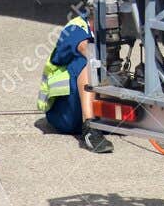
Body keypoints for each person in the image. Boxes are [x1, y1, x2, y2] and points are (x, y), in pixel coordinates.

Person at [38, 10, 113, 154]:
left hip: (91, 114)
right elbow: (84, 48)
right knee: (85, 62)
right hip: (64, 114)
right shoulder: (75, 28)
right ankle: (90, 129)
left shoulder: (101, 32)